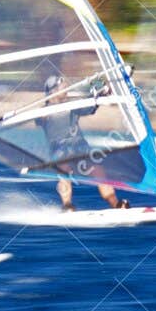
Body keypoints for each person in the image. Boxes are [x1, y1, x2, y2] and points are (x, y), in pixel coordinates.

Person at [41, 73, 126, 212]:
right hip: (60, 151)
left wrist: (101, 96)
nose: (67, 90)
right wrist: (47, 112)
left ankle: (115, 204)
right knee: (64, 169)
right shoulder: (44, 111)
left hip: (79, 148)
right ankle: (67, 205)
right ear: (54, 91)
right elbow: (41, 120)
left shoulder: (72, 105)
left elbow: (88, 108)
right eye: (64, 87)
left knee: (99, 170)